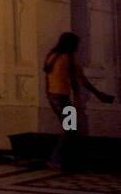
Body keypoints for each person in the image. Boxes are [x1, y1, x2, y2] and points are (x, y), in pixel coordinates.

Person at [44, 32, 114, 172]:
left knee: (70, 129)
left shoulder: (52, 55)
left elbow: (47, 77)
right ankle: (55, 160)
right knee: (71, 129)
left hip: (53, 97)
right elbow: (80, 80)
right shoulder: (68, 58)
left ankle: (62, 160)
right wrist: (98, 94)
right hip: (61, 97)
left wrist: (48, 94)